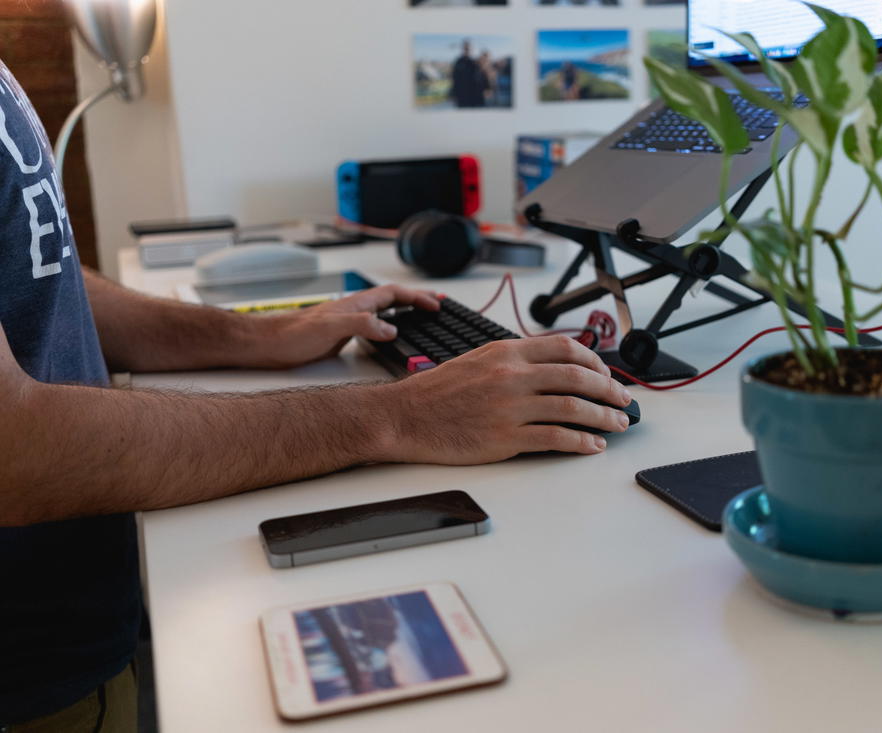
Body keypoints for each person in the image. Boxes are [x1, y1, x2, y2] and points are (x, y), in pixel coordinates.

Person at [0, 58, 631, 731]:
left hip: (82, 626)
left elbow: (44, 271)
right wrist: (397, 415)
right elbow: (16, 451)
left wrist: (258, 336)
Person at [449, 39, 486, 108]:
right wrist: (453, 94)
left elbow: (481, 78)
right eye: (465, 48)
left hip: (474, 96)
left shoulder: (475, 62)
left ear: (471, 49)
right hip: (462, 96)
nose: (467, 49)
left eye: (468, 48)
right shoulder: (458, 62)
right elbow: (454, 79)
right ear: (463, 48)